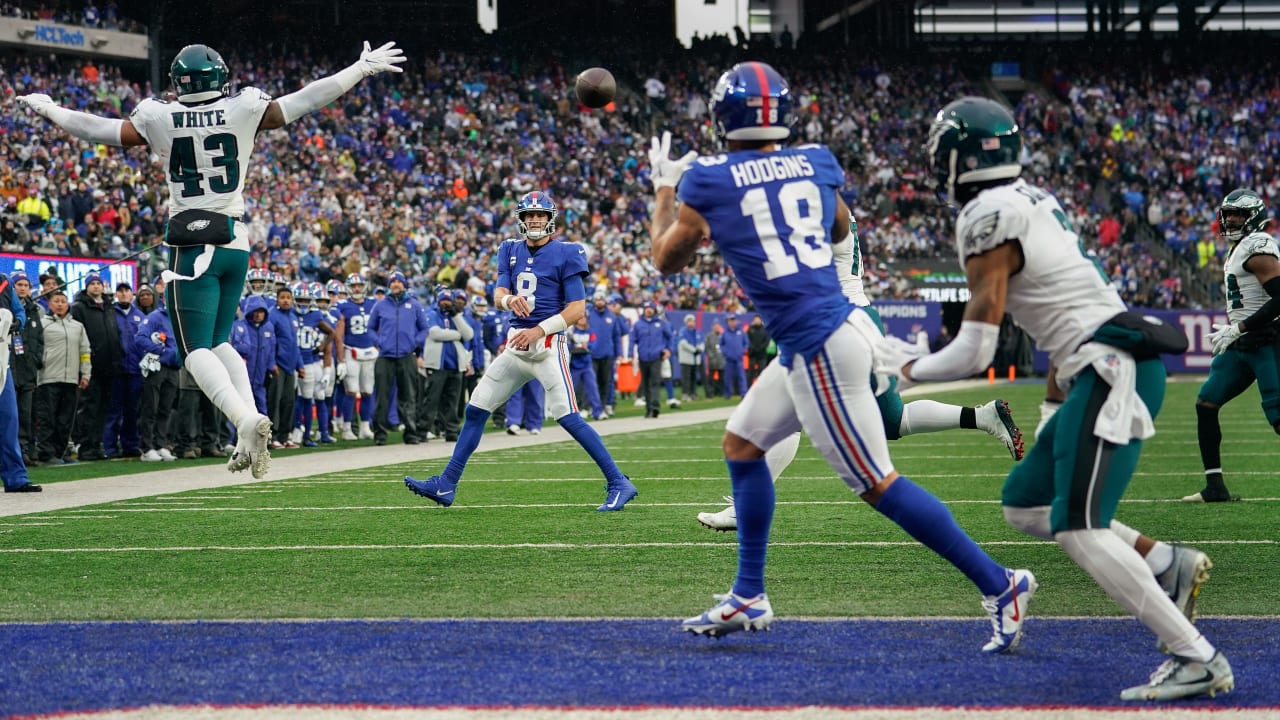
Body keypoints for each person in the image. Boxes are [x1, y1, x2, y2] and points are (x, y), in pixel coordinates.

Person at [648, 64, 1032, 653]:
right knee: (743, 444)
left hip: (819, 343)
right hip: (827, 328)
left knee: (878, 484)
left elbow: (664, 259)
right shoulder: (815, 163)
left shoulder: (707, 180)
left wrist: (664, 188)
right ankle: (748, 594)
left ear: (723, 116)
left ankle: (1001, 584)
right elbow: (835, 227)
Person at [874, 95, 1230, 700]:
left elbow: (977, 349)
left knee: (1077, 527)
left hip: (1108, 369)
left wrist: (903, 369)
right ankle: (1164, 562)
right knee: (1026, 503)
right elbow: (1059, 322)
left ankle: (1196, 657)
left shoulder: (987, 215)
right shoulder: (1031, 198)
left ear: (961, 158)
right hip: (1097, 365)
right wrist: (1050, 413)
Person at [17, 39, 404, 479]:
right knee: (220, 342)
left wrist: (49, 109)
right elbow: (307, 99)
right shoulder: (244, 107)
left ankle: (243, 420)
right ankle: (248, 428)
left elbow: (95, 129)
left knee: (193, 350)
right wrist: (359, 69)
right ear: (219, 77)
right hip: (235, 241)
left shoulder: (159, 115)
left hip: (192, 245)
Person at [695, 222, 1026, 532]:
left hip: (831, 321)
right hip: (850, 318)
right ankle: (981, 416)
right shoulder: (821, 204)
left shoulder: (817, 208)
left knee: (789, 417)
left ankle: (745, 507)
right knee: (893, 421)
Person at [404, 191, 637, 511]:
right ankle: (447, 483)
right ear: (521, 219)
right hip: (516, 345)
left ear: (551, 219)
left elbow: (576, 309)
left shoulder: (568, 252)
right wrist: (508, 300)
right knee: (476, 408)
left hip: (547, 346)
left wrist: (538, 330)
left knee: (567, 415)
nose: (535, 220)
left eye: (540, 215)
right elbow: (498, 292)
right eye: (530, 215)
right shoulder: (509, 249)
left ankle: (618, 481)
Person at [1189, 188, 1279, 503]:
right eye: (1228, 215)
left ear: (1254, 216)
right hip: (1242, 344)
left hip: (1267, 340)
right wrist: (1238, 331)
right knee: (1206, 403)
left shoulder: (1258, 246)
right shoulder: (1239, 247)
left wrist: (1239, 327)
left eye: (1238, 215)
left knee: (1278, 419)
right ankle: (1215, 487)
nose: (1231, 221)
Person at [368, 271, 428, 446]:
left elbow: (424, 329)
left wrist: (414, 343)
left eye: (399, 282)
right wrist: (379, 342)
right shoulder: (380, 305)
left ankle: (410, 433)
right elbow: (370, 328)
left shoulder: (414, 305)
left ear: (404, 285)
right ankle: (380, 434)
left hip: (406, 355)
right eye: (392, 282)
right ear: (389, 285)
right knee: (382, 396)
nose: (395, 284)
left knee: (408, 396)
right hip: (385, 356)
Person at [70, 273, 121, 461]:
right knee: (89, 408)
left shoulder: (109, 306)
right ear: (86, 286)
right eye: (92, 283)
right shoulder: (79, 307)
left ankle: (97, 444)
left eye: (99, 283)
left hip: (110, 365)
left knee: (103, 408)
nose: (96, 286)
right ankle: (86, 446)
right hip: (91, 366)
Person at [36, 290, 91, 465]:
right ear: (49, 304)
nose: (60, 304)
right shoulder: (42, 324)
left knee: (66, 419)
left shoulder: (78, 326)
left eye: (63, 301)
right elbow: (36, 349)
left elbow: (85, 351)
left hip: (71, 379)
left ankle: (60, 452)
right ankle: (46, 453)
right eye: (56, 301)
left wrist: (86, 374)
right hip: (48, 378)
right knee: (48, 418)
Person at [419, 287, 473, 442]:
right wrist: (457, 335)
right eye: (443, 300)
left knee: (453, 401)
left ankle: (451, 430)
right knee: (431, 399)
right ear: (438, 301)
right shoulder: (432, 314)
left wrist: (456, 316)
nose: (446, 303)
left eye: (448, 300)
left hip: (455, 365)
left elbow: (468, 334)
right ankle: (423, 430)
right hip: (437, 365)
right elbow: (435, 334)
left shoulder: (456, 317)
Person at [1, 274, 39, 492]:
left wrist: (17, 323)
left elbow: (19, 311)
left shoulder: (4, 282)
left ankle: (16, 477)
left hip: (2, 358)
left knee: (9, 418)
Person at [135, 300, 181, 462]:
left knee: (165, 409)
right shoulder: (155, 317)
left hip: (174, 368)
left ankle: (160, 444)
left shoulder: (180, 318)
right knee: (151, 407)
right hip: (157, 367)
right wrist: (161, 351)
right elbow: (140, 337)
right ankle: (146, 448)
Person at [104, 282, 144, 458]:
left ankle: (130, 444)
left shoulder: (140, 316)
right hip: (117, 369)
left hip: (135, 369)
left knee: (132, 410)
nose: (123, 294)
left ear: (131, 294)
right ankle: (110, 446)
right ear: (116, 294)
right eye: (120, 291)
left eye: (126, 290)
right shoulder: (110, 313)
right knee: (114, 410)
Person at [9, 272, 45, 467]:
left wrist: (35, 361)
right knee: (10, 416)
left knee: (26, 415)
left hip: (28, 372)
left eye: (26, 285)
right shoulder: (6, 309)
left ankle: (24, 451)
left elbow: (39, 339)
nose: (23, 288)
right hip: (9, 371)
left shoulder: (33, 310)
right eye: (19, 285)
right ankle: (11, 453)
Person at [337, 273, 377, 440]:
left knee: (368, 391)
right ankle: (347, 428)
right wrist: (340, 359)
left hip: (370, 351)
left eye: (359, 285)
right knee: (351, 391)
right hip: (351, 350)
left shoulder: (373, 304)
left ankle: (365, 427)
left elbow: (379, 326)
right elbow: (339, 334)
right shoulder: (342, 306)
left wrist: (377, 345)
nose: (357, 289)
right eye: (354, 286)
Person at [586, 291, 622, 417]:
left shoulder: (612, 316)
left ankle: (602, 406)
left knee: (606, 383)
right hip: (592, 354)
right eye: (597, 300)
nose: (599, 302)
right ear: (594, 301)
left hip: (607, 354)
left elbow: (616, 336)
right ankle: (591, 406)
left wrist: (619, 353)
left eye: (601, 300)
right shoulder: (588, 314)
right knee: (592, 382)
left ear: (605, 301)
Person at [631, 301, 670, 418]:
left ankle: (655, 406)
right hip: (643, 357)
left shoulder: (661, 323)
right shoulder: (638, 324)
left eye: (651, 308)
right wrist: (630, 354)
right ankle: (648, 408)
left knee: (655, 382)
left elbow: (670, 337)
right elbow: (633, 340)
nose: (649, 310)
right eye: (647, 308)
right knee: (645, 383)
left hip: (656, 356)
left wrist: (669, 349)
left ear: (654, 310)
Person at [677, 314, 704, 402]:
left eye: (693, 321)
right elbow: (683, 343)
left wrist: (699, 349)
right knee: (686, 378)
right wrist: (694, 350)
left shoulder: (697, 332)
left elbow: (701, 342)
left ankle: (693, 393)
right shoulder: (683, 331)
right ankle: (685, 393)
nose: (691, 323)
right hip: (686, 359)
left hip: (695, 360)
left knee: (693, 378)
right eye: (689, 321)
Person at [719, 314, 747, 398]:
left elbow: (746, 343)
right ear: (727, 322)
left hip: (739, 358)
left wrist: (742, 351)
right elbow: (721, 344)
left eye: (733, 320)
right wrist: (726, 352)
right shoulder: (725, 333)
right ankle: (727, 393)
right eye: (730, 320)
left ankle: (743, 393)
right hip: (729, 359)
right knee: (728, 377)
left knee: (741, 377)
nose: (732, 322)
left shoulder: (741, 332)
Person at [746, 314, 770, 385]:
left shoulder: (765, 329)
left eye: (758, 319)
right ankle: (749, 387)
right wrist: (752, 348)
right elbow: (747, 340)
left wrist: (761, 348)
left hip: (762, 354)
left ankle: (762, 386)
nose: (757, 320)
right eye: (755, 319)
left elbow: (767, 340)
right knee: (751, 371)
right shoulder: (750, 329)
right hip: (752, 353)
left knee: (762, 371)